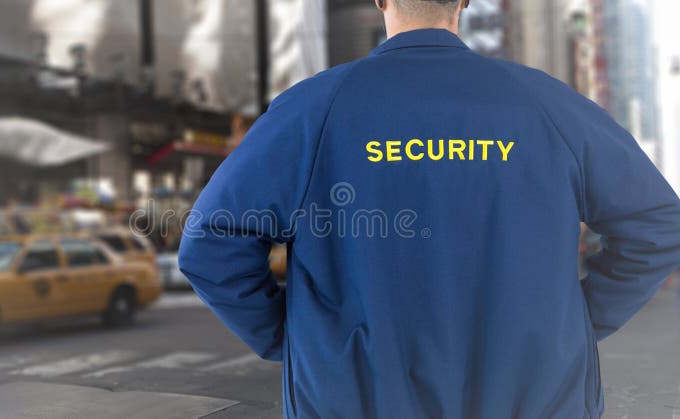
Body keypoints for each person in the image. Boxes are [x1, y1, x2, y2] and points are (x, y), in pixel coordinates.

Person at [178, 0, 680, 417]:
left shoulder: (313, 109)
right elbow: (658, 224)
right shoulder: (549, 106)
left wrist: (290, 339)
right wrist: (583, 319)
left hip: (353, 398)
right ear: (464, 1)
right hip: (535, 395)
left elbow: (210, 244)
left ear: (380, 0)